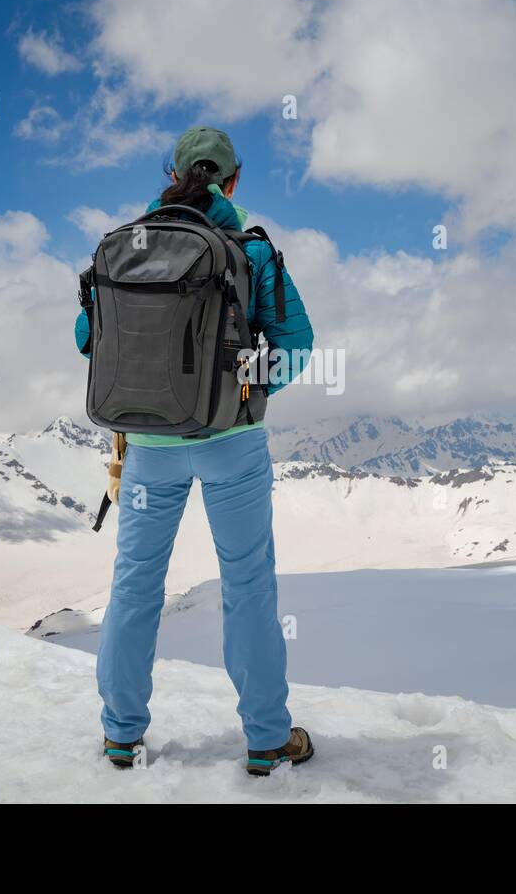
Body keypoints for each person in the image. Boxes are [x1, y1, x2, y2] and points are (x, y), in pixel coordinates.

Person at [75, 126, 316, 776]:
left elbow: (85, 335)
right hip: (231, 443)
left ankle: (121, 734)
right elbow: (297, 341)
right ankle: (267, 738)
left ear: (173, 175)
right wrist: (241, 388)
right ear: (232, 181)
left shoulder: (128, 244)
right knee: (247, 588)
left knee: (134, 586)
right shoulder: (251, 248)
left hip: (148, 446)